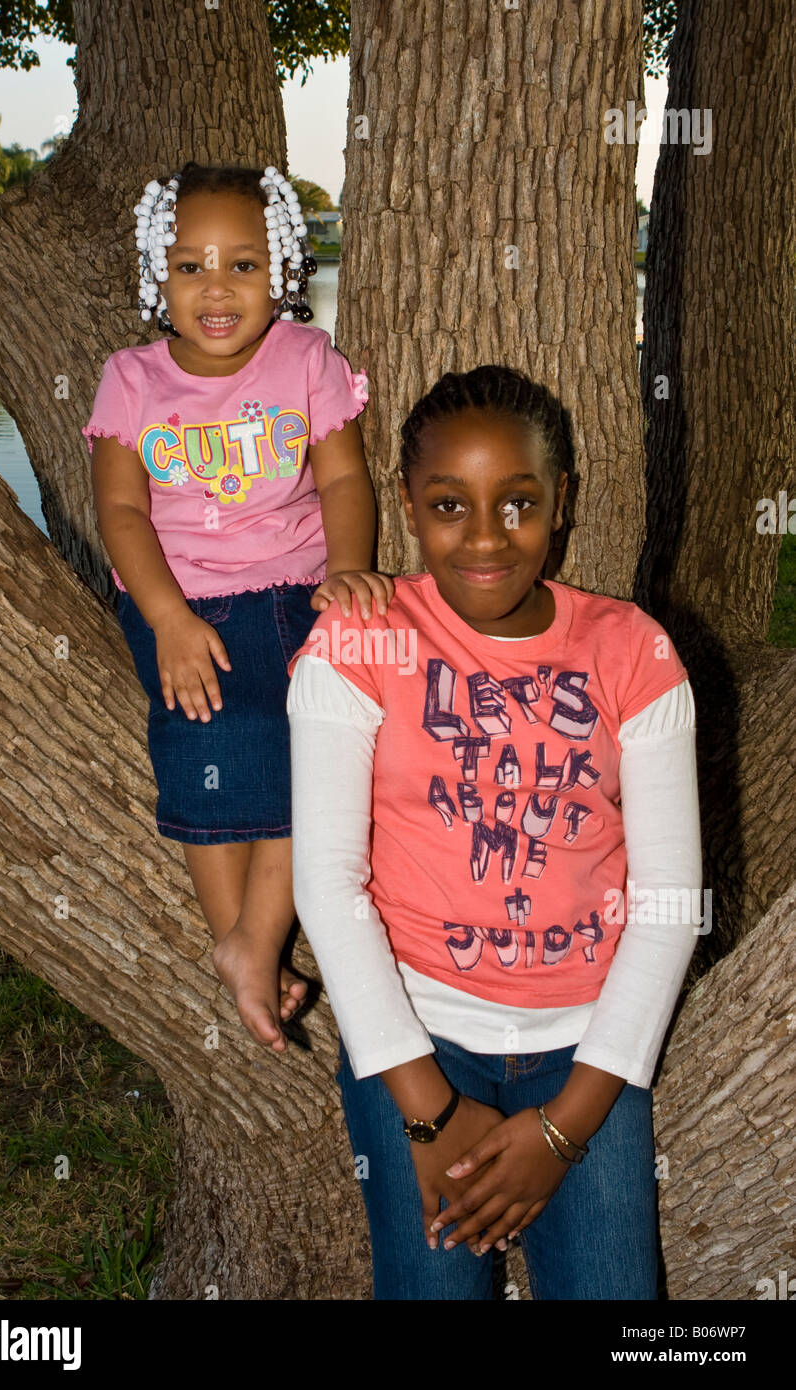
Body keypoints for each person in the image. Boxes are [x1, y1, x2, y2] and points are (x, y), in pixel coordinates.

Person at [286, 365, 703, 1300]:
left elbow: (672, 903)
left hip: (589, 1049)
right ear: (403, 502)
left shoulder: (633, 650)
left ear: (563, 502)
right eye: (448, 504)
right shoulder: (359, 641)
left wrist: (569, 1127)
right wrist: (430, 1112)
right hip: (417, 1041)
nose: (484, 538)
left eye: (518, 504)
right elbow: (326, 885)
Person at [83, 162, 394, 1055]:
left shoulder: (306, 358)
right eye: (190, 267)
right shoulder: (131, 379)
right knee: (205, 731)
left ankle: (249, 945)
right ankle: (247, 945)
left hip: (294, 586)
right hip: (180, 596)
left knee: (321, 741)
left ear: (283, 272)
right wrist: (170, 618)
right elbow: (120, 511)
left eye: (245, 266)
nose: (217, 289)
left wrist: (346, 569)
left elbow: (342, 477)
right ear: (157, 275)